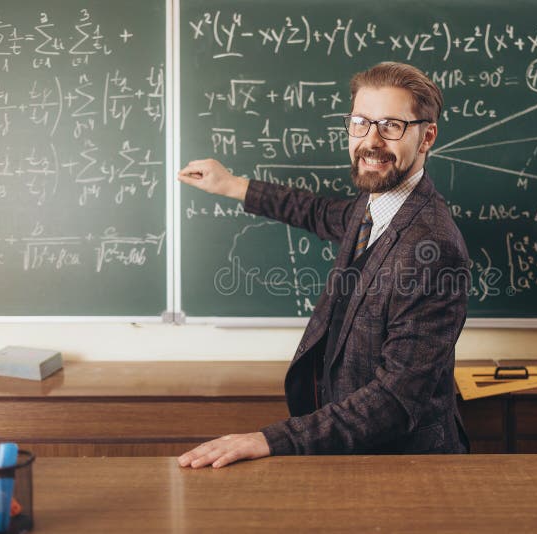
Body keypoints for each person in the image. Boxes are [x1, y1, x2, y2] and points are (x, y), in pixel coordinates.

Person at [177, 61, 470, 469]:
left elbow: (395, 399)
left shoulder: (433, 248)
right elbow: (315, 211)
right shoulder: (373, 207)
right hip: (352, 452)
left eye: (391, 126)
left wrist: (272, 439)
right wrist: (230, 185)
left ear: (427, 137)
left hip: (402, 469)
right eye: (360, 123)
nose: (371, 141)